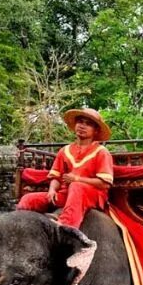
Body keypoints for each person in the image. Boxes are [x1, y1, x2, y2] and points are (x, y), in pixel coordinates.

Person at [16, 107, 114, 273]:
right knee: (29, 199)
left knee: (76, 187)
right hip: (65, 193)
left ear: (96, 130)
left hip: (92, 194)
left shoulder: (101, 152)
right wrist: (52, 190)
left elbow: (105, 183)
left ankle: (64, 232)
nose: (82, 126)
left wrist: (77, 179)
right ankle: (18, 230)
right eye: (80, 122)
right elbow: (55, 176)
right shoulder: (64, 151)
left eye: (88, 124)